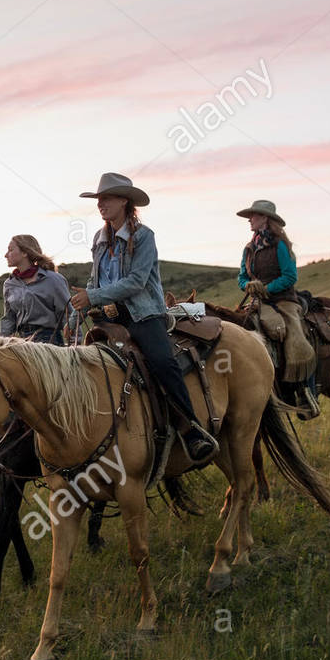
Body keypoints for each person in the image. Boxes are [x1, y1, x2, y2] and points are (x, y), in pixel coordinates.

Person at [68, 172, 219, 464]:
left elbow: (136, 282)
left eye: (107, 198)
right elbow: (94, 281)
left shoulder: (144, 237)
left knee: (163, 362)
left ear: (124, 200)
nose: (101, 204)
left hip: (143, 315)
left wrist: (94, 297)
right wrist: (79, 310)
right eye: (99, 199)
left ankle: (191, 430)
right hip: (110, 318)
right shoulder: (99, 240)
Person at [236, 199, 318, 416]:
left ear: (264, 218)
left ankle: (306, 392)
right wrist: (249, 286)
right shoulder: (249, 248)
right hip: (257, 302)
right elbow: (241, 277)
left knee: (293, 334)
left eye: (253, 216)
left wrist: (267, 289)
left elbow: (290, 276)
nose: (249, 220)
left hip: (284, 300)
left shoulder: (280, 245)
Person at [0, 235, 72, 345]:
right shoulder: (10, 284)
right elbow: (9, 319)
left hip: (49, 342)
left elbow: (68, 314)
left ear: (25, 253)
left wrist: (76, 344)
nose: (5, 255)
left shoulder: (53, 279)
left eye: (10, 250)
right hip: (22, 343)